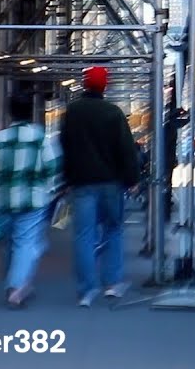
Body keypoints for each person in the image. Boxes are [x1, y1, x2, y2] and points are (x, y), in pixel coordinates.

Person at [58, 66, 141, 307]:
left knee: (84, 235)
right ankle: (113, 284)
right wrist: (132, 179)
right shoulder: (113, 113)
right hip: (111, 183)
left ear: (85, 85)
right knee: (113, 230)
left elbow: (66, 147)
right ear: (104, 86)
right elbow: (126, 149)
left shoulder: (73, 112)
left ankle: (86, 290)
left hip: (82, 183)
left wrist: (67, 180)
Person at [0, 92, 62, 308]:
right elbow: (52, 166)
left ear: (10, 112)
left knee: (8, 242)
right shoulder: (40, 137)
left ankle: (12, 282)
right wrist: (48, 189)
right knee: (25, 241)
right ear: (31, 112)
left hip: (3, 197)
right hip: (32, 197)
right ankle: (17, 287)